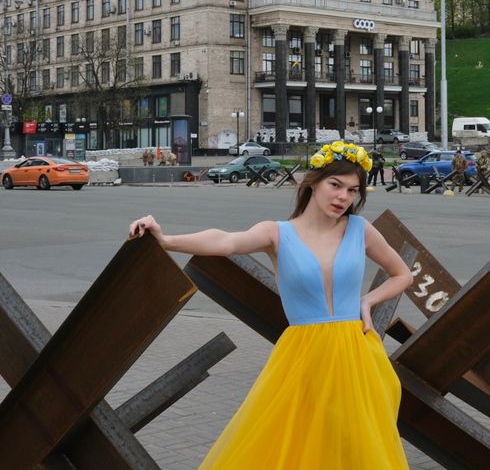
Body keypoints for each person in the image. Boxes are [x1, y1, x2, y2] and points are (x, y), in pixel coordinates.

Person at [129, 141, 411, 469]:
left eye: (352, 190)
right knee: (300, 446)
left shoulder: (360, 230)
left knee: (357, 448)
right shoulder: (277, 234)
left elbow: (402, 275)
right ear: (313, 182)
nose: (343, 197)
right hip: (304, 356)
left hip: (356, 355)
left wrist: (368, 300)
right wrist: (166, 241)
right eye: (335, 185)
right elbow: (226, 241)